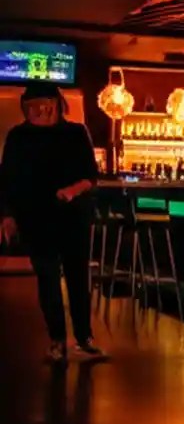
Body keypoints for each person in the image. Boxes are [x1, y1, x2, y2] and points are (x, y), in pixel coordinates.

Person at [0, 83, 105, 364]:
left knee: (77, 278)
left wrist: (71, 191)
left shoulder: (75, 133)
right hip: (34, 219)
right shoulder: (18, 137)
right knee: (47, 280)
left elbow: (90, 176)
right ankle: (57, 340)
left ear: (57, 104)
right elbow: (6, 181)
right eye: (30, 105)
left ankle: (84, 339)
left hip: (72, 216)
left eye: (42, 104)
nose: (36, 110)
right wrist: (8, 216)